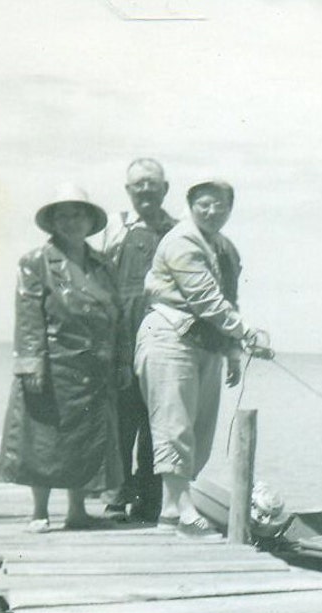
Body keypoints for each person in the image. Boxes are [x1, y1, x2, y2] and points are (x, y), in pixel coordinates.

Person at [135, 177, 272, 538]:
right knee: (174, 426)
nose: (212, 211)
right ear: (190, 205)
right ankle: (185, 512)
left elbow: (228, 298)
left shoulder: (224, 247)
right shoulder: (181, 240)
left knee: (199, 431)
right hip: (169, 337)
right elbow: (205, 299)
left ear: (230, 208)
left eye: (220, 205)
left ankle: (170, 512)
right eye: (204, 204)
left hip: (206, 344)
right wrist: (247, 334)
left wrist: (233, 351)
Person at [0, 184, 124, 531]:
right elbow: (28, 316)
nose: (71, 221)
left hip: (94, 368)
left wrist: (122, 361)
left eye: (78, 214)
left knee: (84, 439)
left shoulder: (104, 265)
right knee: (43, 439)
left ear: (90, 221)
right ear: (52, 222)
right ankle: (39, 511)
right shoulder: (35, 262)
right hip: (53, 365)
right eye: (63, 215)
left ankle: (77, 511)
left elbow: (118, 316)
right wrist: (31, 363)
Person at [97, 158, 177, 522]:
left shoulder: (177, 231)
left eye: (152, 183)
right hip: (122, 330)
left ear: (165, 189)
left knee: (158, 420)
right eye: (138, 184)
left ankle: (149, 500)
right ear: (128, 190)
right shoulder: (116, 228)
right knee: (120, 418)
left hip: (163, 330)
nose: (145, 190)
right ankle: (115, 495)